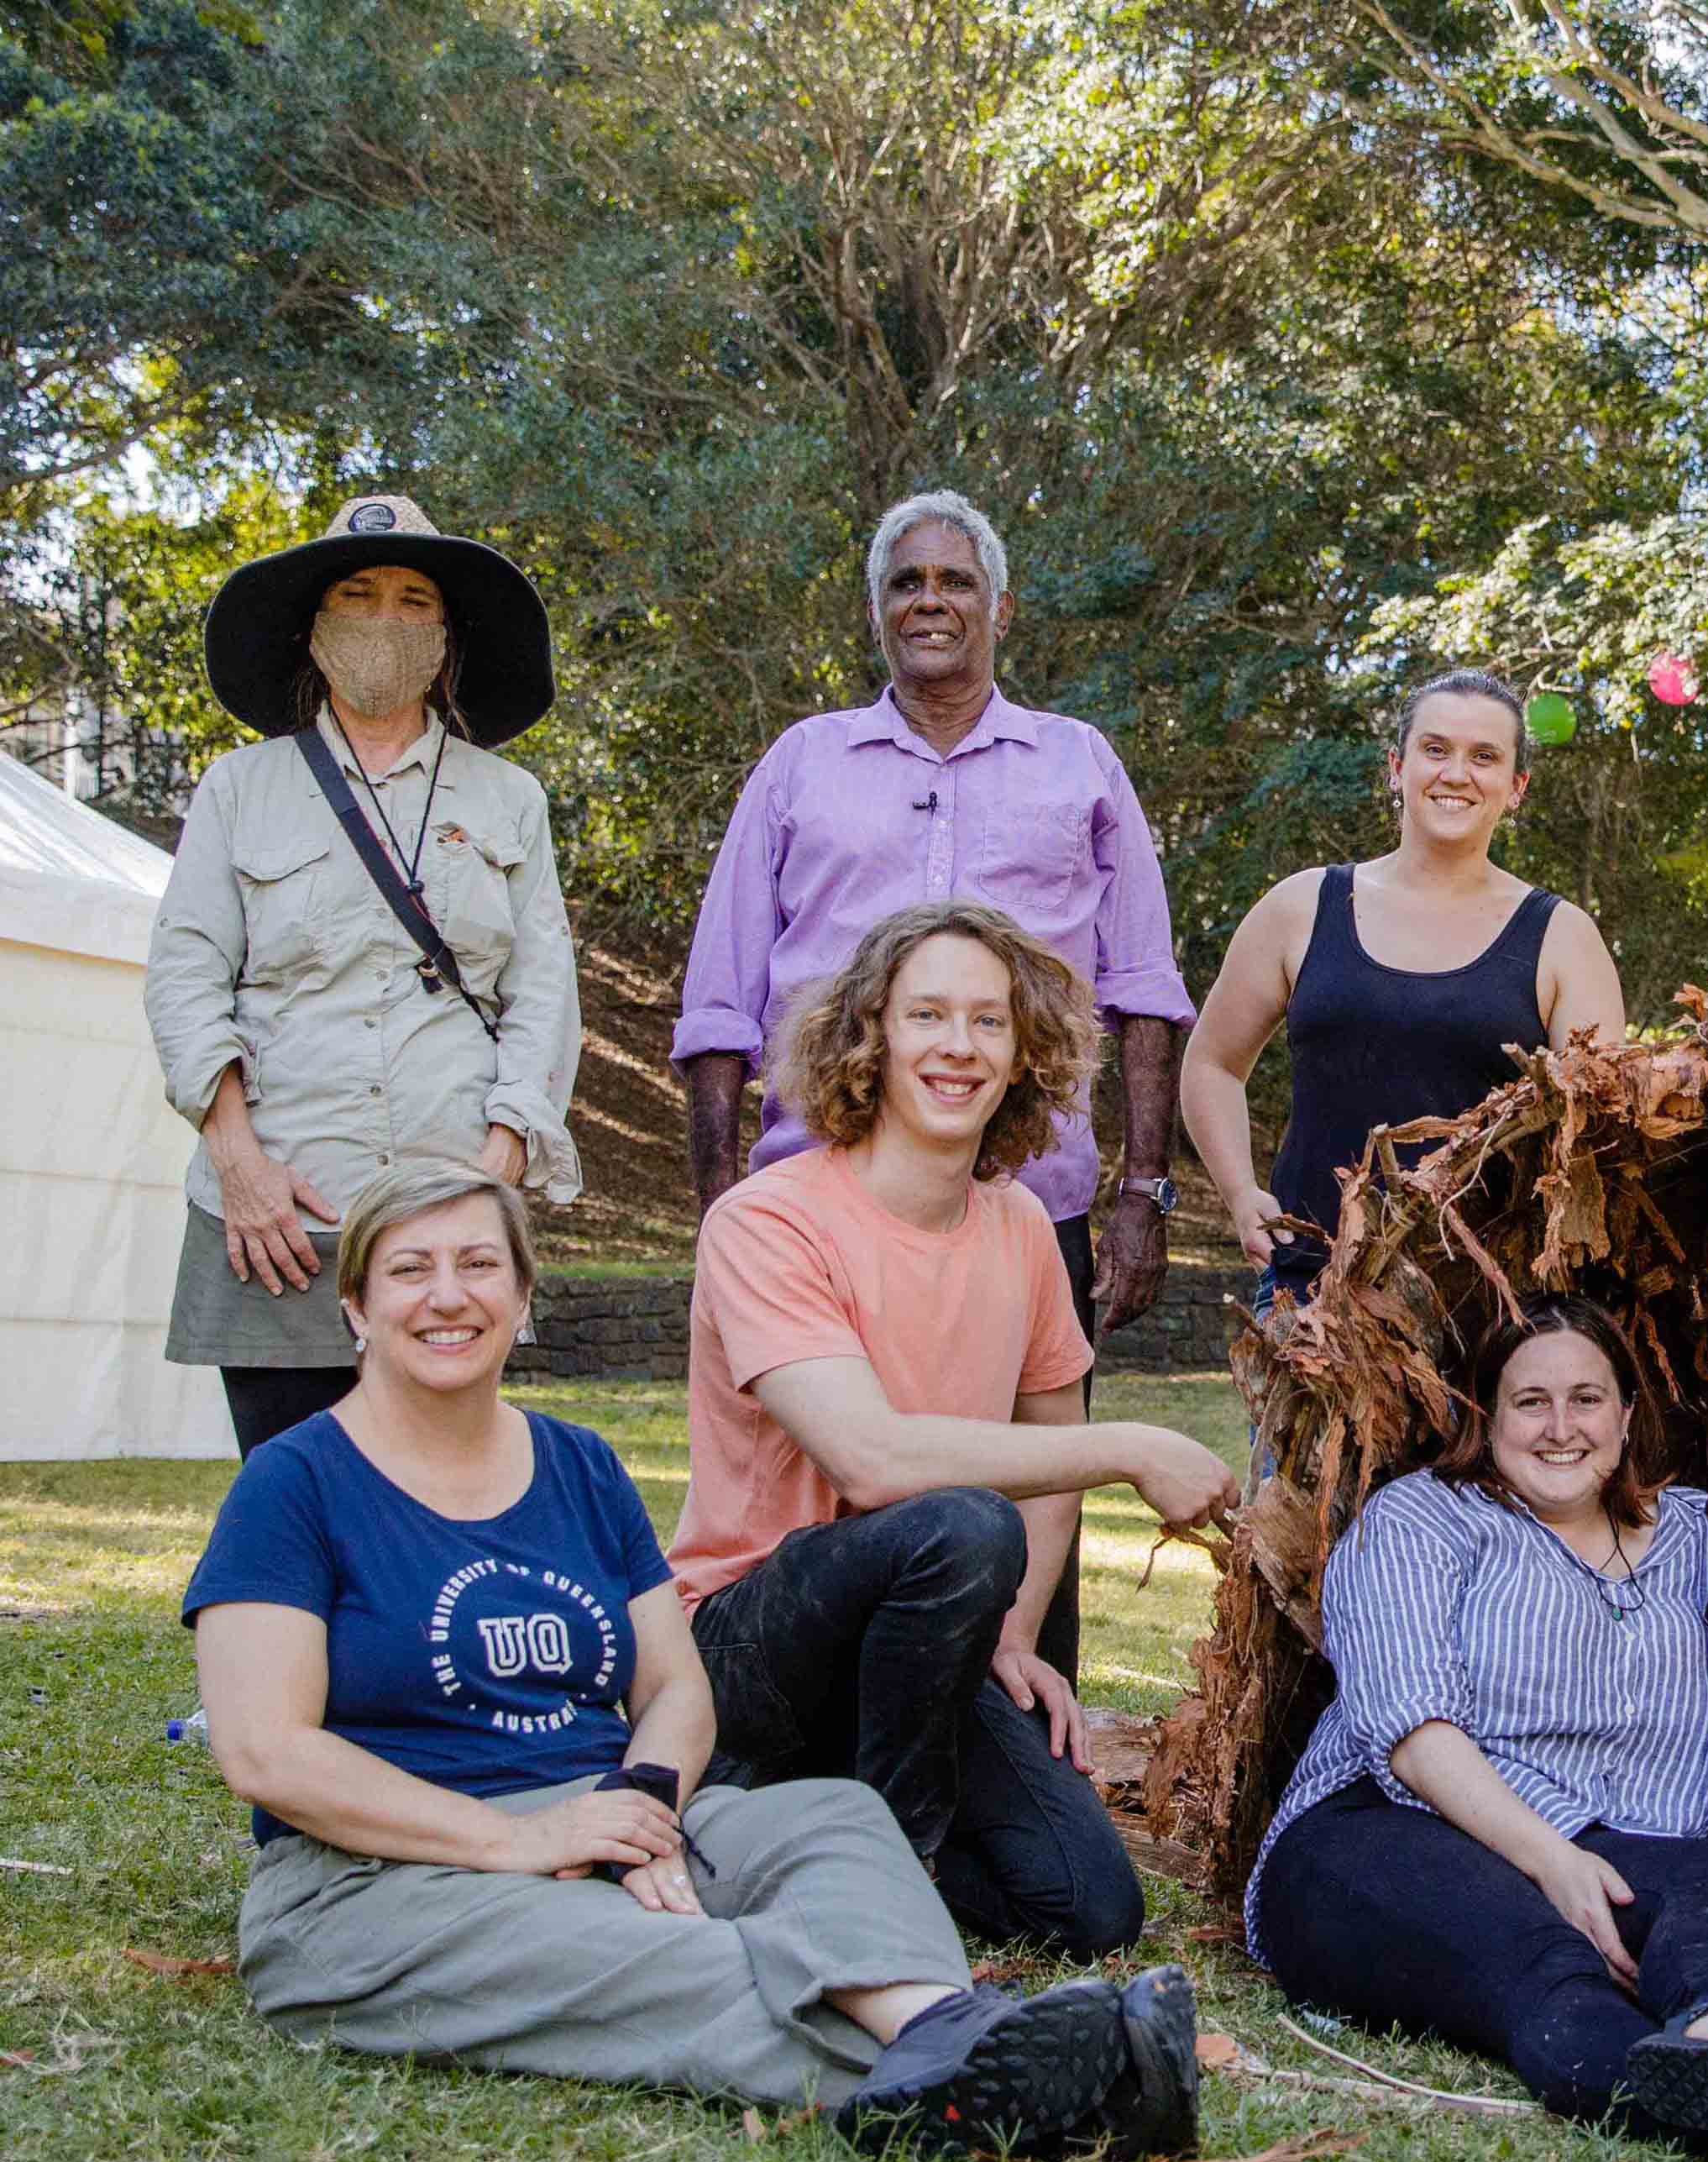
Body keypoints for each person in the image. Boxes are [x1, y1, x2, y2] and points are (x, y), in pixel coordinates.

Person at [182, 1161, 1199, 2159]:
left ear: (523, 1297)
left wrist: (646, 1799)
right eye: (410, 1271)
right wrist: (515, 1839)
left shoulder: (576, 1464)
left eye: (479, 1265)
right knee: (685, 1956)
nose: (448, 1296)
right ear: (356, 1306)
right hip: (376, 1879)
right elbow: (266, 1751)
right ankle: (1034, 2078)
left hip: (606, 1813)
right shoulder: (295, 1483)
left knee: (834, 1818)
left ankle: (943, 2029)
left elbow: (672, 1683)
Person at [674, 489, 1192, 1682]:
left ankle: (1019, 1720)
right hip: (819, 1205)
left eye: (955, 581)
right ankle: (797, 1730)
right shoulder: (803, 764)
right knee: (828, 1488)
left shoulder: (1080, 764)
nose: (931, 601)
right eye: (906, 583)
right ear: (876, 612)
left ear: (1000, 607)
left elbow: (1147, 992)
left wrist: (1141, 1196)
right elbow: (719, 1000)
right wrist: (719, 1209)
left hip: (1027, 1204)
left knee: (1028, 1487)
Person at [1247, 1295, 1708, 2162]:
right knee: (1546, 1957)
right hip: (1375, 1832)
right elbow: (1414, 1736)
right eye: (1530, 1401)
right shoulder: (1420, 1522)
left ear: (1625, 1413)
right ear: (1487, 1416)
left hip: (1597, 1841)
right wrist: (1550, 1860)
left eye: (1586, 1397)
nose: (1560, 1426)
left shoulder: (1686, 1536)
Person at [668, 902, 1239, 1960]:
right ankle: (882, 1888)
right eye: (927, 1014)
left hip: (916, 1652)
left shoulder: (1020, 1225)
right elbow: (872, 1459)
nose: (957, 1046)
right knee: (961, 1523)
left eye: (988, 1021)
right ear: (870, 1033)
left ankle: (793, 1839)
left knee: (1087, 1904)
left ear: (1025, 1053)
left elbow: (1046, 1444)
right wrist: (1131, 1448)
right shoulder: (765, 1219)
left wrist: (1014, 1632)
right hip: (746, 1641)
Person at [147, 495, 584, 1457]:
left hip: (449, 1201)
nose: (383, 618)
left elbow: (544, 996)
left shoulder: (509, 799)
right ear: (315, 628)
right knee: (291, 1483)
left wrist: (498, 1173)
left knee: (441, 1482)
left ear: (445, 634)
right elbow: (185, 972)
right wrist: (239, 1164)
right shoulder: (240, 787)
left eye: (411, 598)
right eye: (357, 593)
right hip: (281, 1208)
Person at [1181, 669, 1626, 1305]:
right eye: (1435, 749)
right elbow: (1212, 1063)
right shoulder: (1302, 907)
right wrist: (1239, 1192)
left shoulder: (1561, 937)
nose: (1455, 774)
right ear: (1397, 766)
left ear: (1516, 786)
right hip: (1312, 1292)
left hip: (1487, 1304)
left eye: (1485, 757)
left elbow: (1597, 1133)